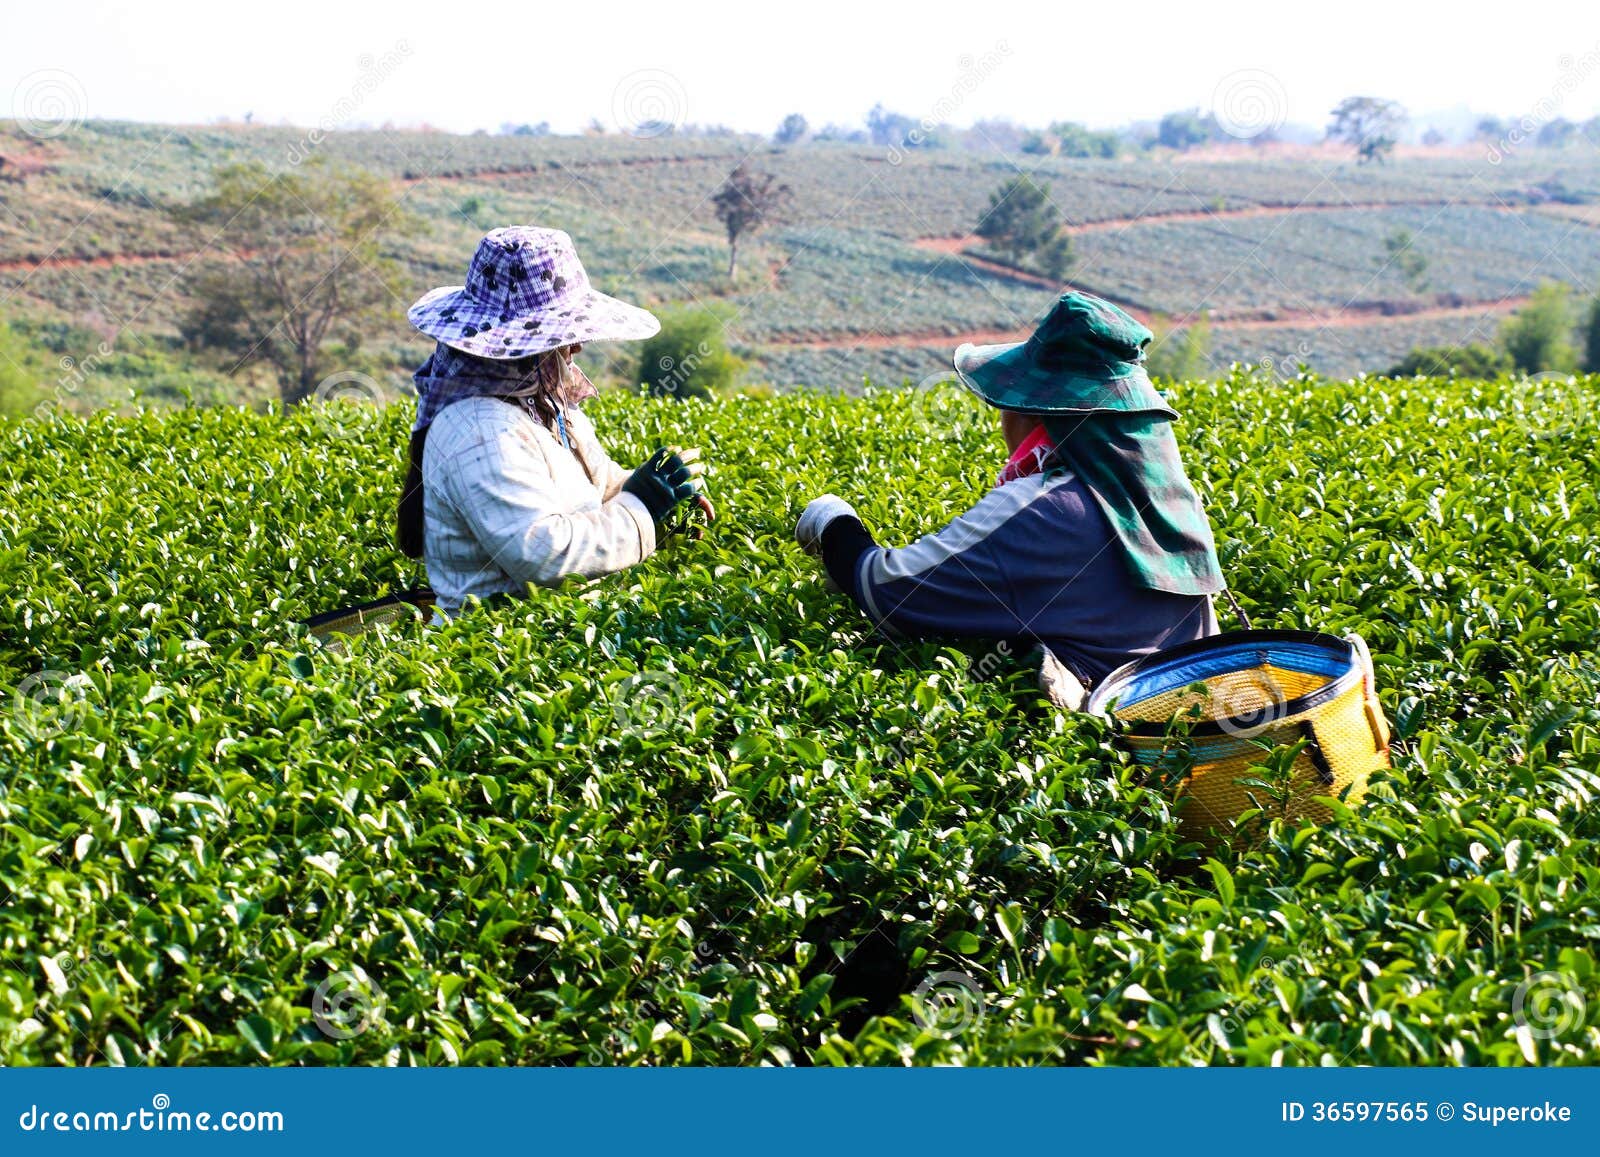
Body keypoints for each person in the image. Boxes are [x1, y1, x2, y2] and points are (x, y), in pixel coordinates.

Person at [794, 291, 1224, 693]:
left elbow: (888, 591)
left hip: (1110, 740)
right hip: (1194, 707)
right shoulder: (1168, 497)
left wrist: (831, 520)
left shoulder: (1042, 508)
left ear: (1035, 413)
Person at [398, 226, 710, 616]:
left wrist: (658, 494)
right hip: (501, 653)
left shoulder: (542, 402)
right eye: (563, 334)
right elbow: (541, 555)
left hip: (562, 634)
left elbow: (597, 484)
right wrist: (640, 508)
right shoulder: (479, 428)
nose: (577, 345)